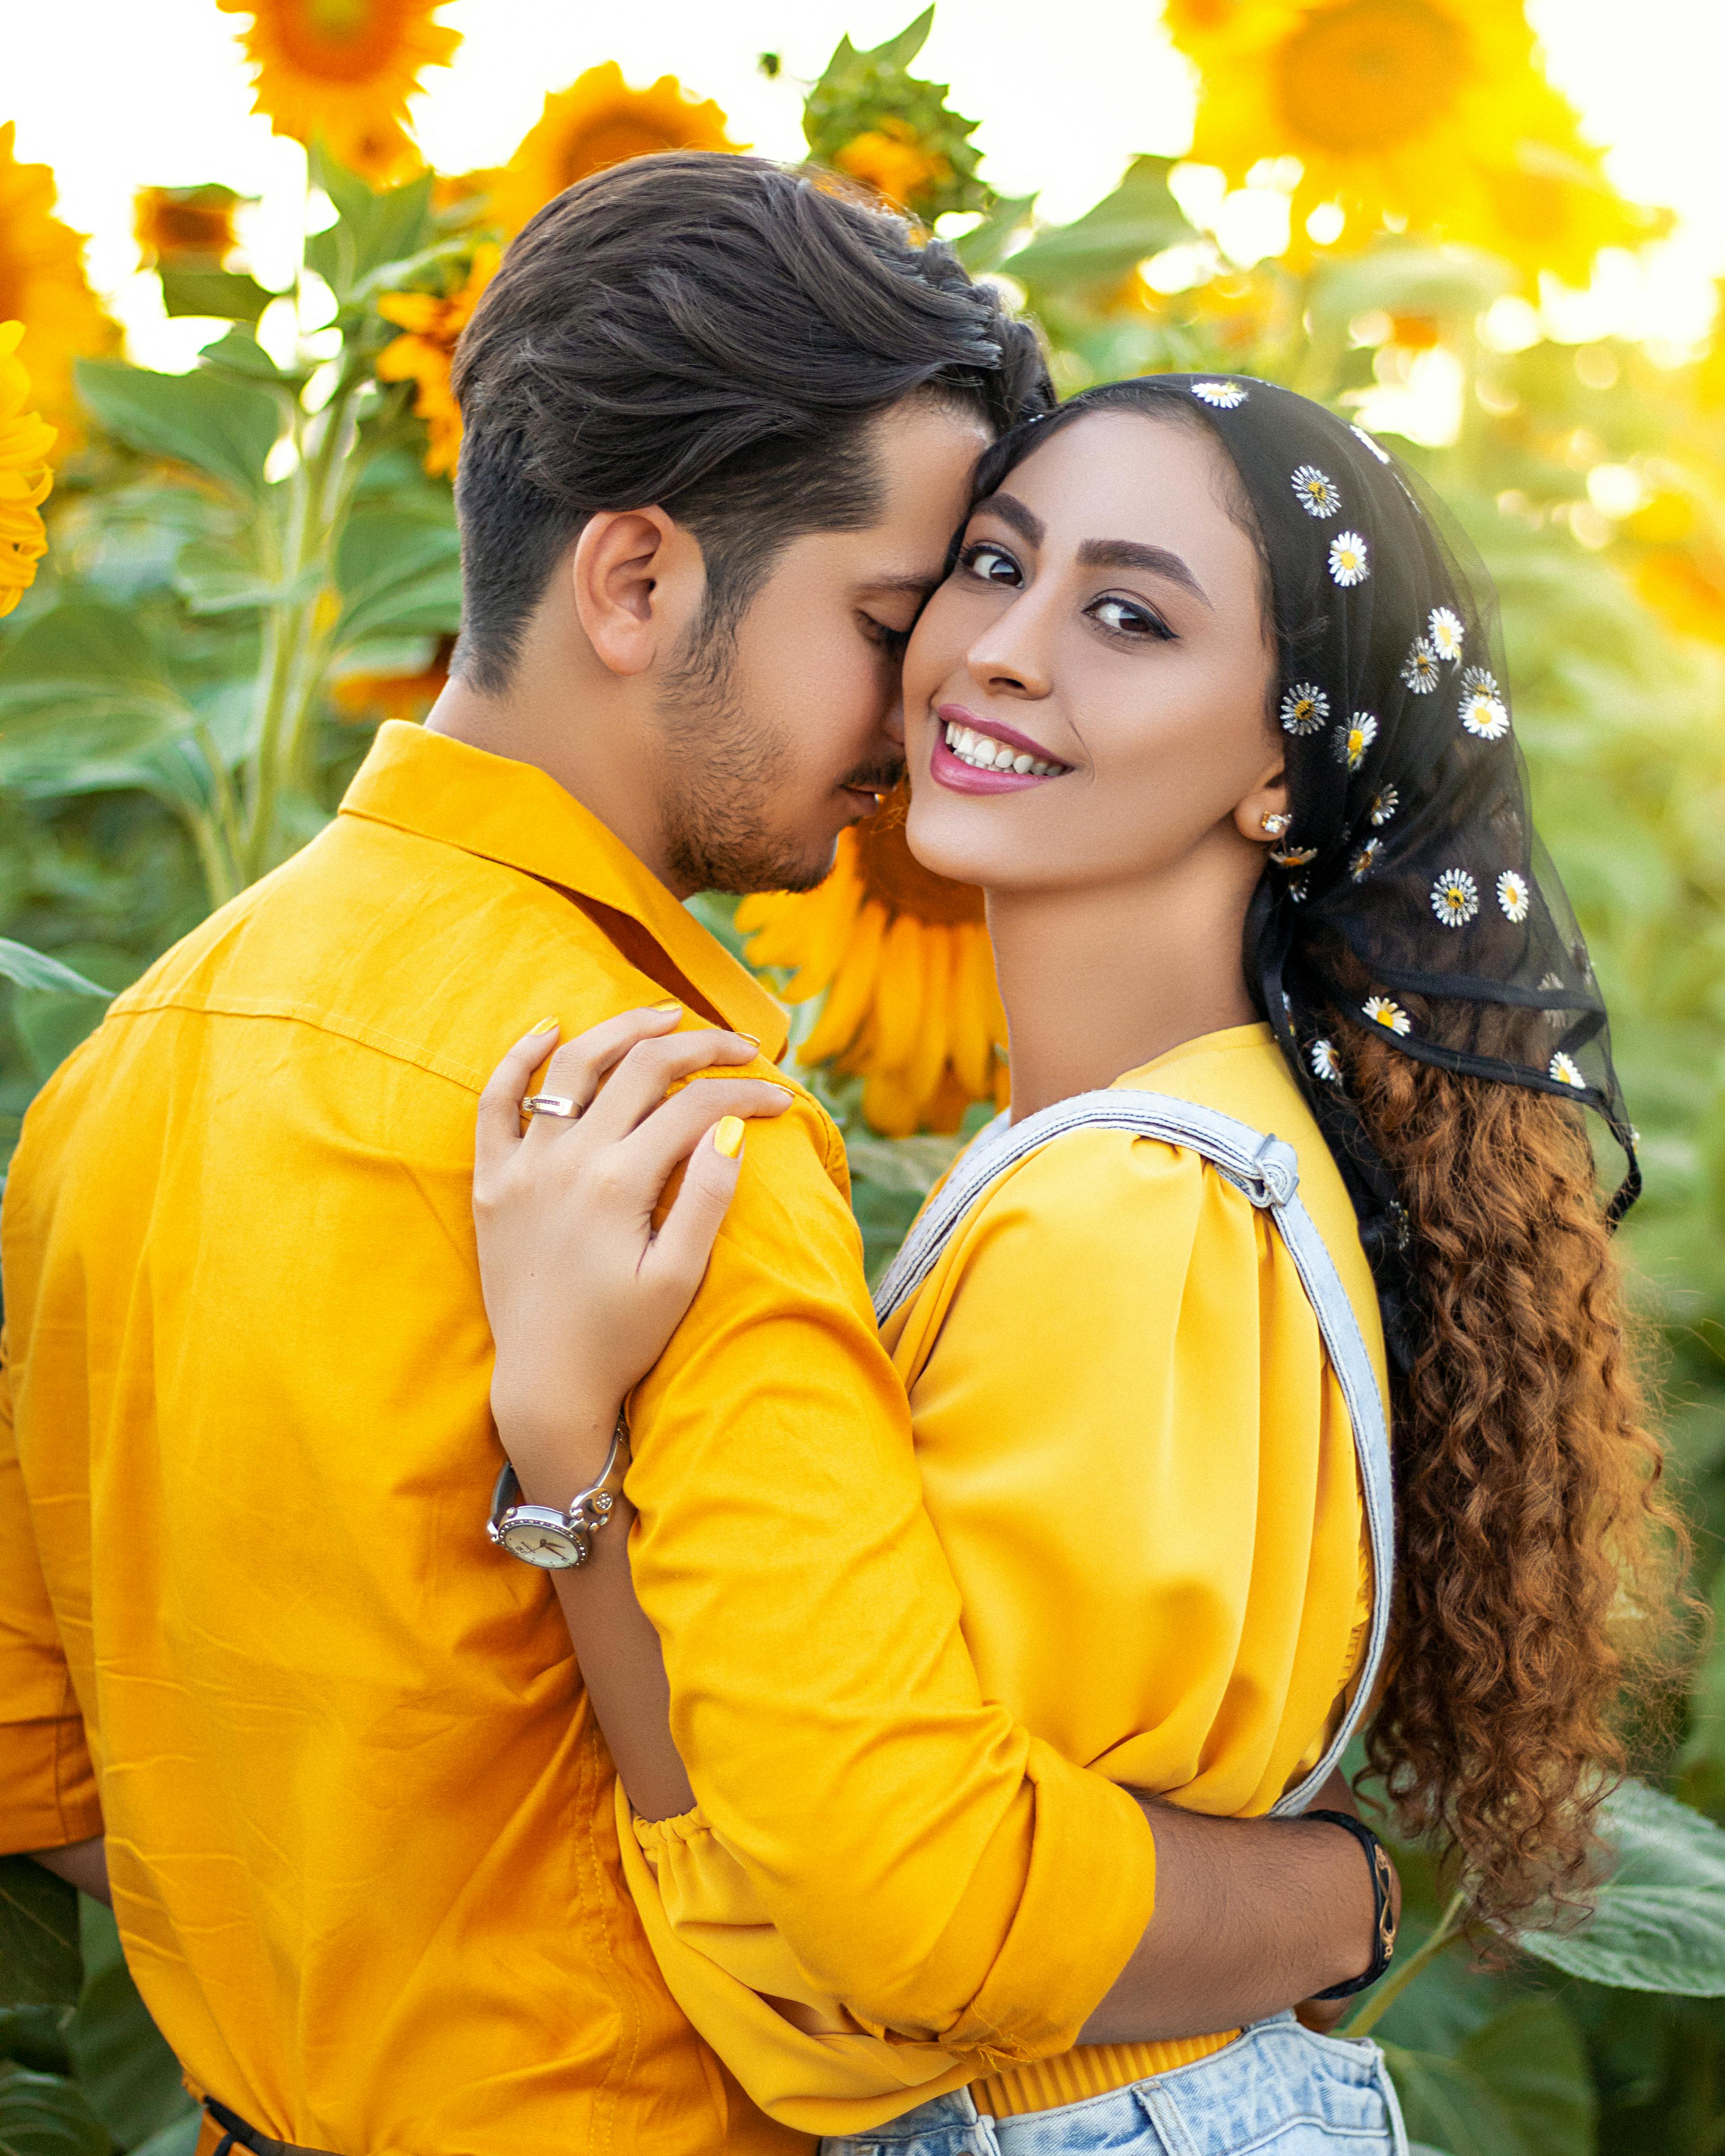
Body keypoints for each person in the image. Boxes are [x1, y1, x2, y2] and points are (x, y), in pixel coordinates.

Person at [0, 162, 1386, 2156]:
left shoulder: (122, 1065)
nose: (918, 716)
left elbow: (49, 1780)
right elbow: (904, 1887)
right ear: (639, 580)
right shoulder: (661, 1116)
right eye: (888, 619)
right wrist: (1339, 1892)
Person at [474, 374, 1682, 2155]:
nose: (1003, 653)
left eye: (1128, 612)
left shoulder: (1127, 1216)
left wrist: (563, 1432)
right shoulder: (1223, 1142)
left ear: (1283, 758)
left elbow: (863, 1972)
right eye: (988, 566)